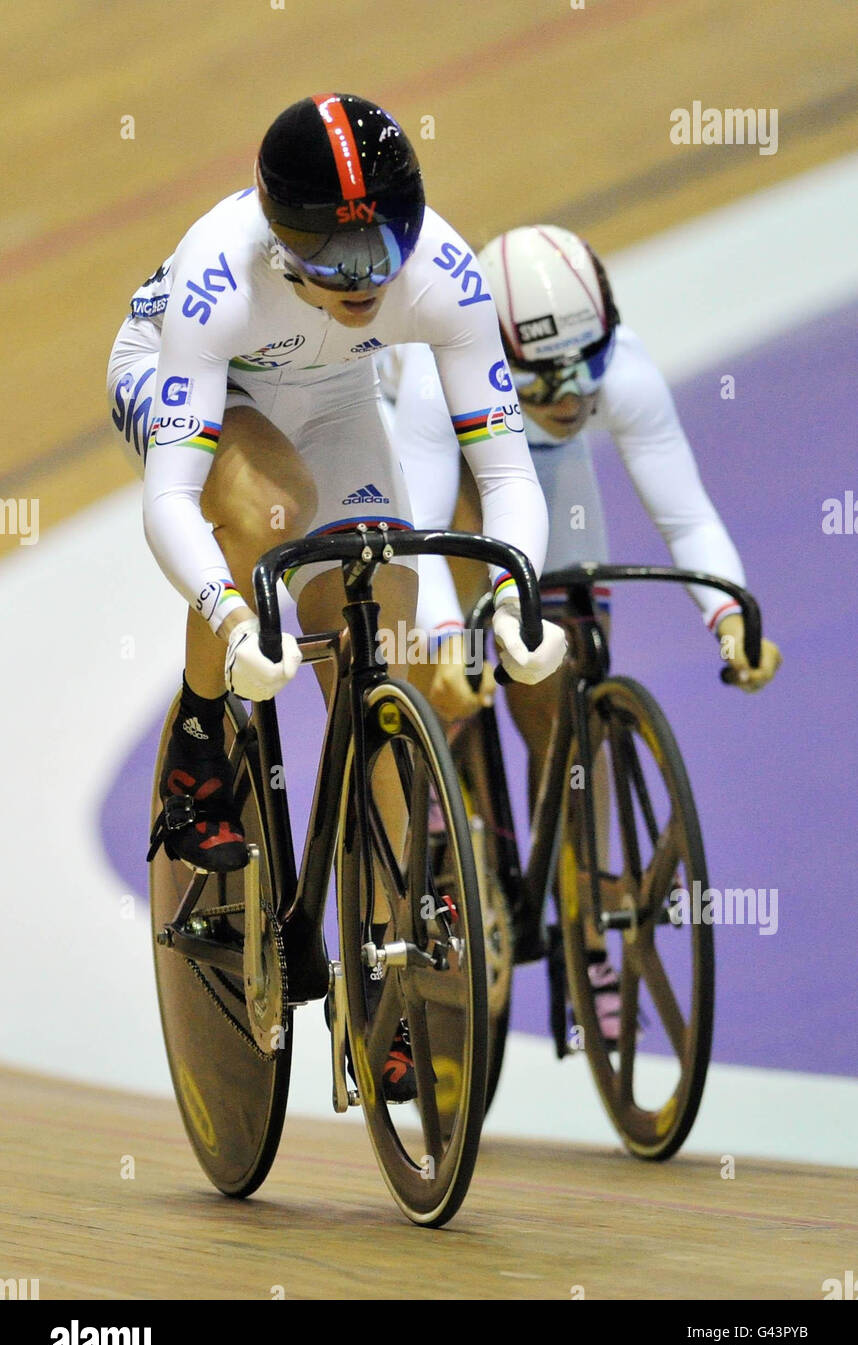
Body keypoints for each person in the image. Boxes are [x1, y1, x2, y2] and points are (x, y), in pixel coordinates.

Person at [106, 95, 565, 1099]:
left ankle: (387, 971)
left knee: (382, 656)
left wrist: (508, 598)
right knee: (272, 507)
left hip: (340, 404)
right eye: (328, 253)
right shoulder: (216, 275)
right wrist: (230, 617)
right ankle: (197, 748)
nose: (361, 280)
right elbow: (170, 505)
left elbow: (509, 471)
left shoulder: (443, 273)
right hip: (197, 385)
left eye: (380, 249)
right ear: (279, 237)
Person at [383, 224, 782, 1046]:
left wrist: (732, 619)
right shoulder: (436, 379)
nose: (570, 396)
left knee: (560, 669)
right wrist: (447, 649)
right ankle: (437, 803)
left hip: (538, 475)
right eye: (543, 377)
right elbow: (417, 534)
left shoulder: (623, 372)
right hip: (428, 455)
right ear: (498, 358)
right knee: (438, 641)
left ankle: (589, 910)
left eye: (584, 369)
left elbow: (687, 512)